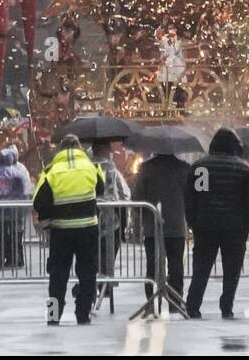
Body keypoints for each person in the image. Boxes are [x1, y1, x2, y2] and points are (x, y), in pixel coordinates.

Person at [183, 127, 249, 319]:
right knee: (232, 269)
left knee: (201, 267)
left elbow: (194, 196)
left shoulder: (201, 168)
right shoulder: (244, 170)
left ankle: (193, 305)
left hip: (205, 225)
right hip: (235, 227)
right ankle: (226, 306)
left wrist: (193, 220)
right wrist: (248, 224)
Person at [33, 134, 106, 325]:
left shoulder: (51, 171)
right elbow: (101, 189)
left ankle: (53, 317)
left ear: (60, 150)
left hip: (61, 232)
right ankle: (83, 314)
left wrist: (47, 217)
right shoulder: (91, 167)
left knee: (57, 278)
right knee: (88, 274)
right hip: (88, 229)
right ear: (80, 148)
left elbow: (38, 200)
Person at [133, 151, 190, 305]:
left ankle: (151, 300)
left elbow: (137, 197)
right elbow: (193, 194)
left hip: (152, 225)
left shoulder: (145, 168)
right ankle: (175, 301)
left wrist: (142, 218)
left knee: (152, 265)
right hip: (176, 225)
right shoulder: (185, 168)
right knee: (176, 265)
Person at [90, 139, 132, 301]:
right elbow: (124, 194)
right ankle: (105, 284)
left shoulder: (85, 167)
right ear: (106, 151)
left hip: (88, 219)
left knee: (91, 255)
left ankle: (92, 284)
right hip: (109, 221)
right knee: (108, 254)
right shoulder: (111, 169)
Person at [0, 146, 32, 269]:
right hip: (15, 210)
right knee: (16, 234)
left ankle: (2, 259)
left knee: (0, 235)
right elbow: (24, 190)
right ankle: (18, 259)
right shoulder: (18, 172)